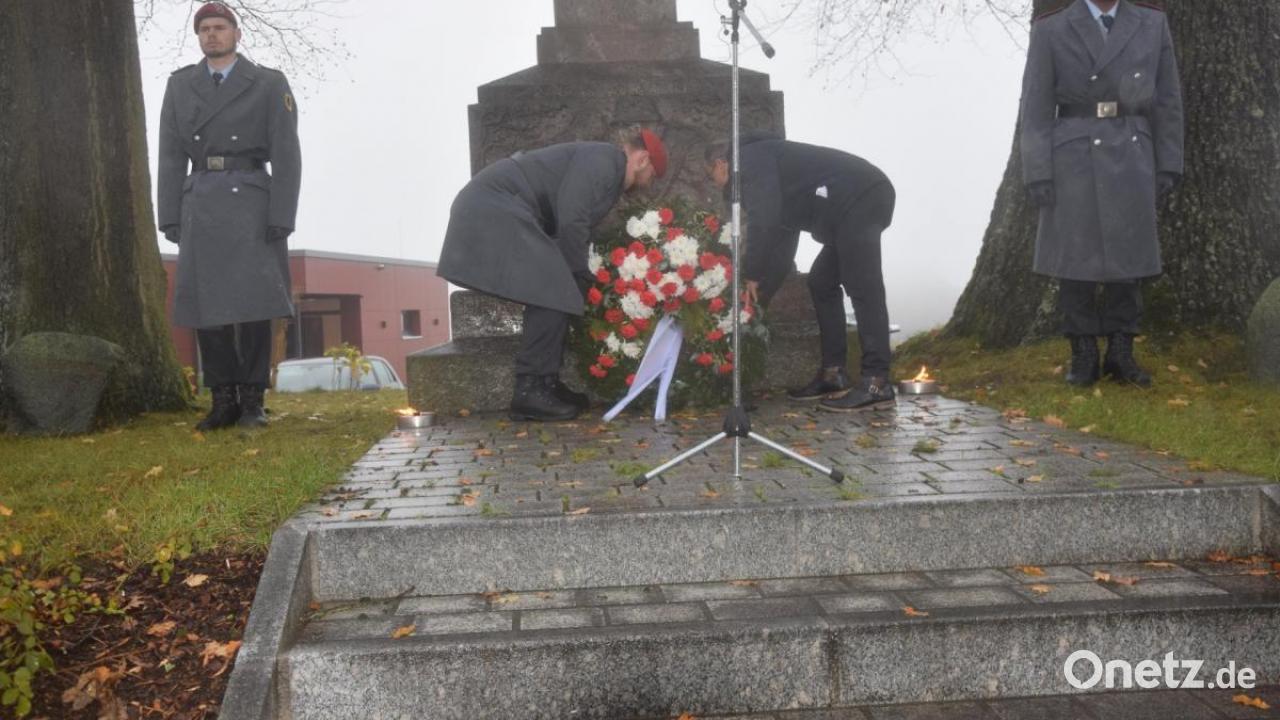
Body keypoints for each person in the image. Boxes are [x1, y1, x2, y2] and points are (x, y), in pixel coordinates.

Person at [437, 128, 667, 421]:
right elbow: (572, 219)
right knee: (554, 286)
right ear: (643, 159)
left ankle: (545, 383)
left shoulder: (606, 168)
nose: (649, 184)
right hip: (493, 207)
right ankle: (529, 390)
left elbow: (565, 221)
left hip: (500, 208)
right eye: (653, 176)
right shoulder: (606, 161)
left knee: (554, 286)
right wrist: (579, 276)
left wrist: (576, 278)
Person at [1021, 0, 1183, 388]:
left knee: (1129, 260)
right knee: (1074, 262)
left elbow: (1167, 99)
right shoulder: (1052, 28)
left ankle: (1121, 352)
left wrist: (1168, 163)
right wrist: (1037, 172)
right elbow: (1037, 106)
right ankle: (1083, 353)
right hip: (1073, 156)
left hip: (1132, 150)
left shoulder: (1152, 22)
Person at [157, 2, 302, 431]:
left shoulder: (268, 83)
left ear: (236, 34)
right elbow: (169, 156)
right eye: (203, 29)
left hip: (252, 201)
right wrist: (169, 214)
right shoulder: (180, 85)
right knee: (208, 306)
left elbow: (287, 154)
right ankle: (223, 400)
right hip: (200, 199)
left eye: (219, 27)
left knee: (255, 305)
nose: (211, 35)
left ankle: (253, 399)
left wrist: (283, 214)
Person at [704, 133, 897, 412]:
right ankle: (834, 374)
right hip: (846, 209)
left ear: (721, 163)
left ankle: (877, 382)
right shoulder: (769, 168)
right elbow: (783, 244)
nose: (718, 186)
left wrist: (752, 273)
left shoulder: (747, 160)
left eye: (713, 177)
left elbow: (765, 220)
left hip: (862, 196)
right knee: (821, 281)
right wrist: (761, 294)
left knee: (863, 284)